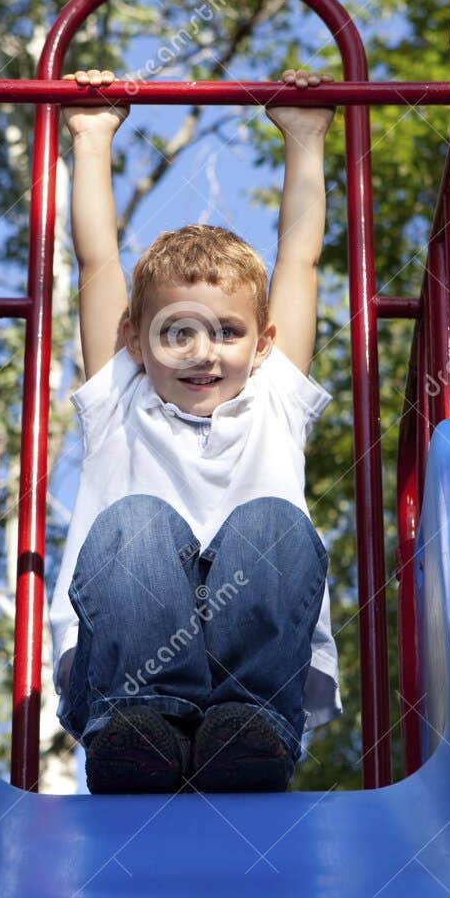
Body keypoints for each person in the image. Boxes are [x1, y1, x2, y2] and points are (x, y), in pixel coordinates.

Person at [49, 66, 341, 794]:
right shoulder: (123, 398)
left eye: (228, 331)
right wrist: (91, 137)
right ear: (136, 340)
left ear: (263, 342)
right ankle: (142, 723)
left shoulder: (275, 398)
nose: (203, 350)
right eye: (176, 331)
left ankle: (247, 728)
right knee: (137, 523)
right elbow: (96, 263)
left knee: (274, 524)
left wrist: (305, 137)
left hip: (251, 696)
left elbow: (300, 258)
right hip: (122, 688)